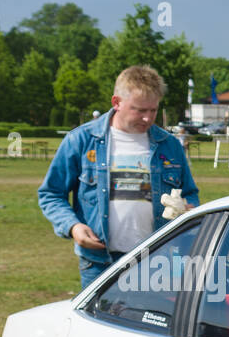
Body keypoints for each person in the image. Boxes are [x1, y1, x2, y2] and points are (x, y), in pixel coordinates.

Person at [38, 65, 199, 289]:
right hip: (99, 264)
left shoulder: (170, 144)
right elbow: (51, 194)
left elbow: (189, 193)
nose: (147, 118)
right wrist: (73, 226)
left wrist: (189, 209)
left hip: (157, 261)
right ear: (116, 102)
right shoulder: (81, 140)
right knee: (99, 325)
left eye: (153, 110)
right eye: (139, 110)